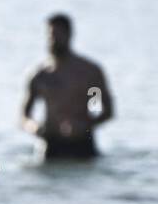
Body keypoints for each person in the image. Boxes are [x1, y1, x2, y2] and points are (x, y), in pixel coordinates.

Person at [21, 13, 114, 159]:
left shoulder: (89, 72)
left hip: (82, 144)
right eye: (50, 35)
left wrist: (86, 125)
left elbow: (105, 111)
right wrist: (35, 127)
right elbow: (24, 116)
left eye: (57, 35)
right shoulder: (40, 76)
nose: (53, 40)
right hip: (51, 144)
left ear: (69, 35)